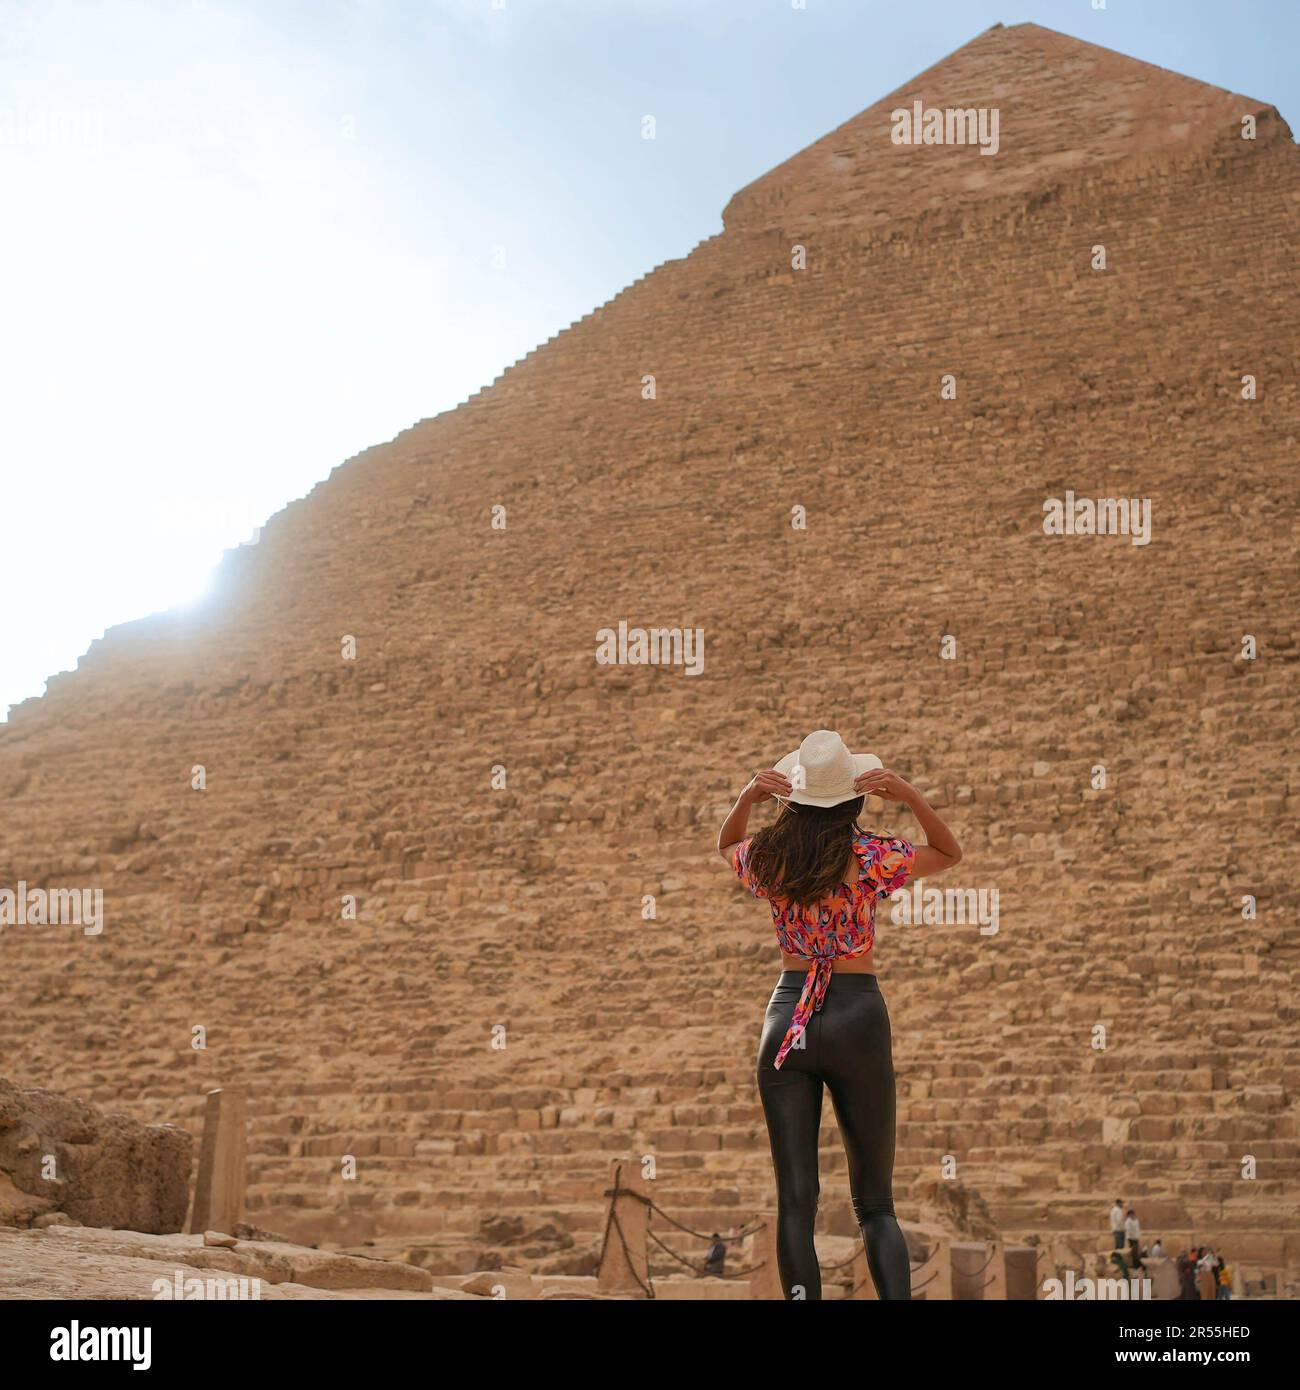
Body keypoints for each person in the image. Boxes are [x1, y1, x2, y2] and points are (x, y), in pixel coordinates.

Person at [718, 730, 961, 1301]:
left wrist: (748, 797)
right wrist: (911, 796)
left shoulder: (769, 859)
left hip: (786, 1020)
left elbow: (725, 845)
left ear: (792, 800)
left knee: (795, 1204)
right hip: (857, 1015)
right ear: (853, 800)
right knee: (875, 1203)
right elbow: (950, 854)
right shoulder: (873, 857)